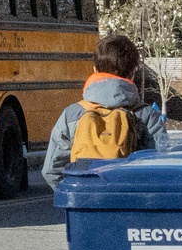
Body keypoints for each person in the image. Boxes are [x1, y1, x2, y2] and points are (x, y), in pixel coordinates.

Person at [42, 32, 169, 188]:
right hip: (131, 203)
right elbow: (159, 168)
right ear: (132, 73)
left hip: (84, 203)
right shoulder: (147, 115)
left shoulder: (72, 114)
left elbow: (51, 170)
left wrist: (74, 196)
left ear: (95, 70)